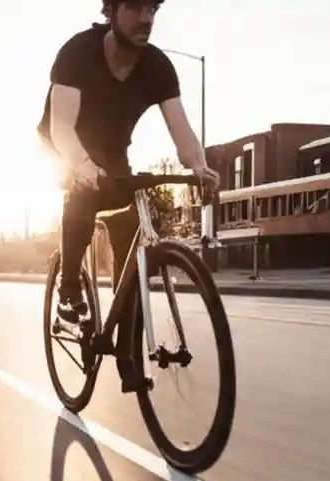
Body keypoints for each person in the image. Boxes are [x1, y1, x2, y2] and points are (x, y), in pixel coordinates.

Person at [38, 0, 220, 392]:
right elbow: (61, 128)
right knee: (81, 194)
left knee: (131, 241)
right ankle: (69, 285)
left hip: (114, 151)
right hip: (63, 142)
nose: (146, 19)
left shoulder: (157, 67)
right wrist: (82, 167)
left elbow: (181, 131)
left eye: (152, 9)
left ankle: (126, 350)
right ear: (112, 10)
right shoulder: (78, 52)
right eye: (135, 8)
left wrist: (198, 166)